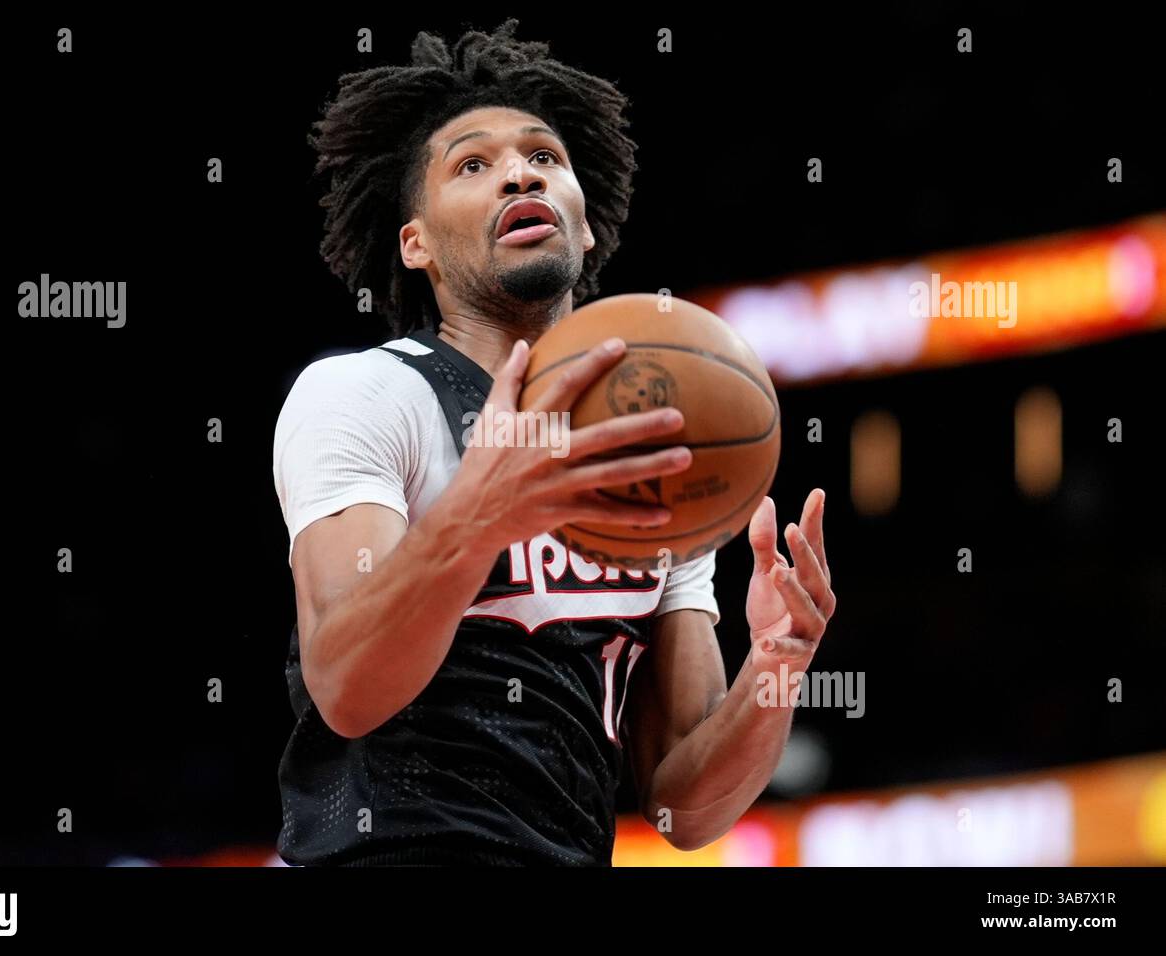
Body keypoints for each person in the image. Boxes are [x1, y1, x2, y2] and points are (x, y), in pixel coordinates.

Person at [273, 20, 835, 866]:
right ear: (414, 242)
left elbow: (686, 810)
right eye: (472, 164)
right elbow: (348, 690)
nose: (519, 170)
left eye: (545, 156)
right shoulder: (366, 393)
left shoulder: (659, 452)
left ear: (584, 228)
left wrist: (777, 666)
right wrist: (475, 518)